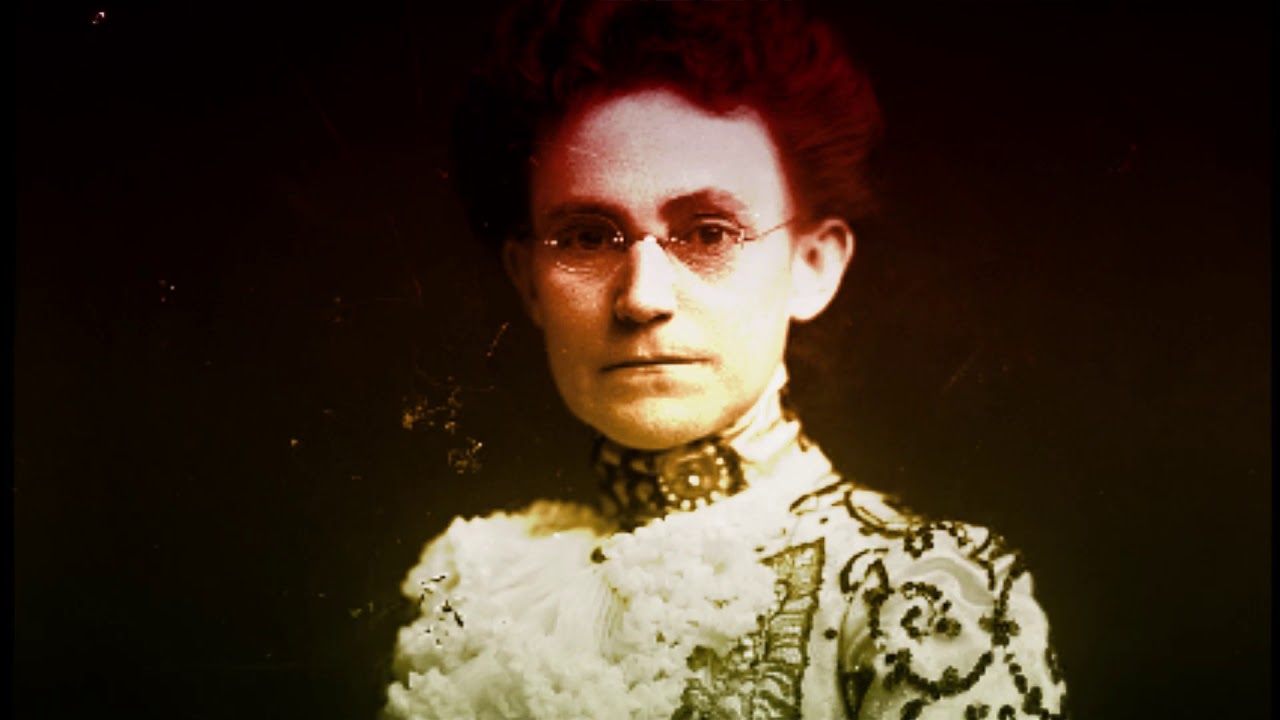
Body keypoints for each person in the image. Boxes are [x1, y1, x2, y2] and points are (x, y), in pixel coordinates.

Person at [384, 1, 1069, 718]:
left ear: (812, 265)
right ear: (529, 282)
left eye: (709, 234)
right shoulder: (473, 582)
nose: (642, 298)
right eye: (587, 238)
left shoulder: (921, 591)